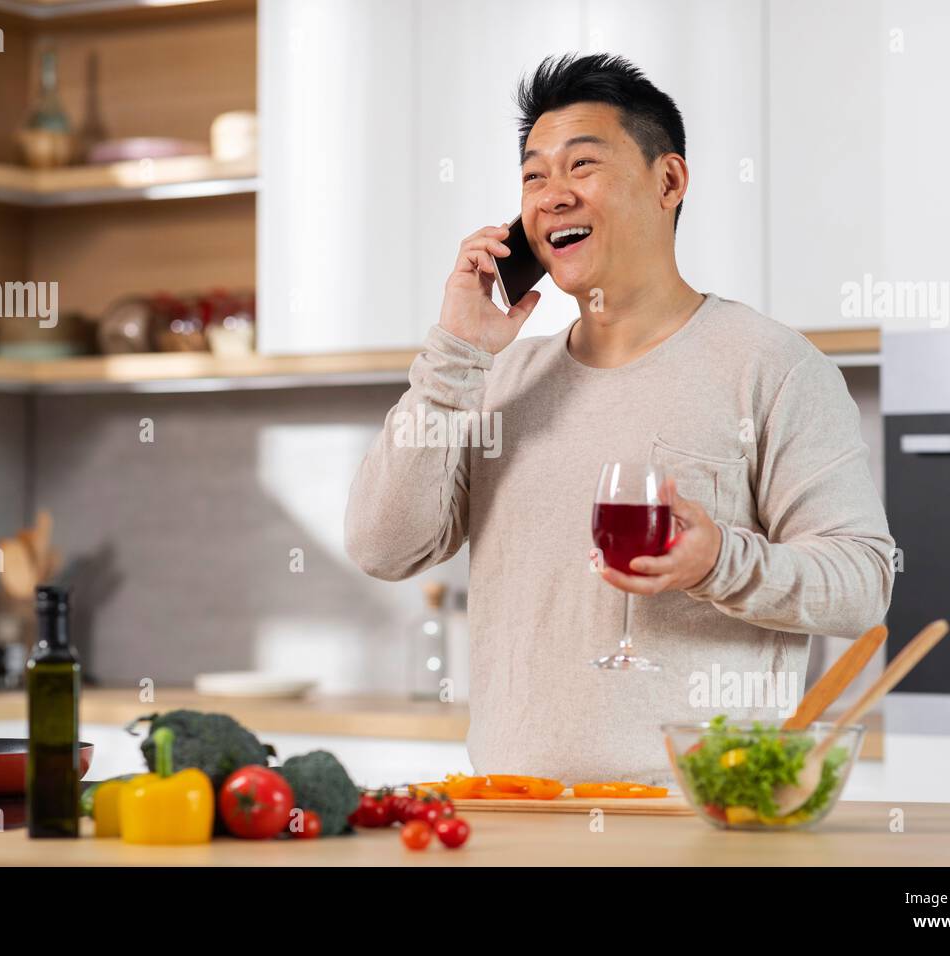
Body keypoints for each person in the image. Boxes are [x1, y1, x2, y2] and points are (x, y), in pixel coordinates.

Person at [344, 52, 894, 783]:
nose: (552, 196)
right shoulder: (497, 378)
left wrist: (718, 560)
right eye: (534, 177)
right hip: (514, 810)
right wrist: (454, 357)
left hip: (697, 819)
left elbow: (862, 582)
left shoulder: (773, 366)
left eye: (581, 167)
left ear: (669, 182)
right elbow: (384, 546)